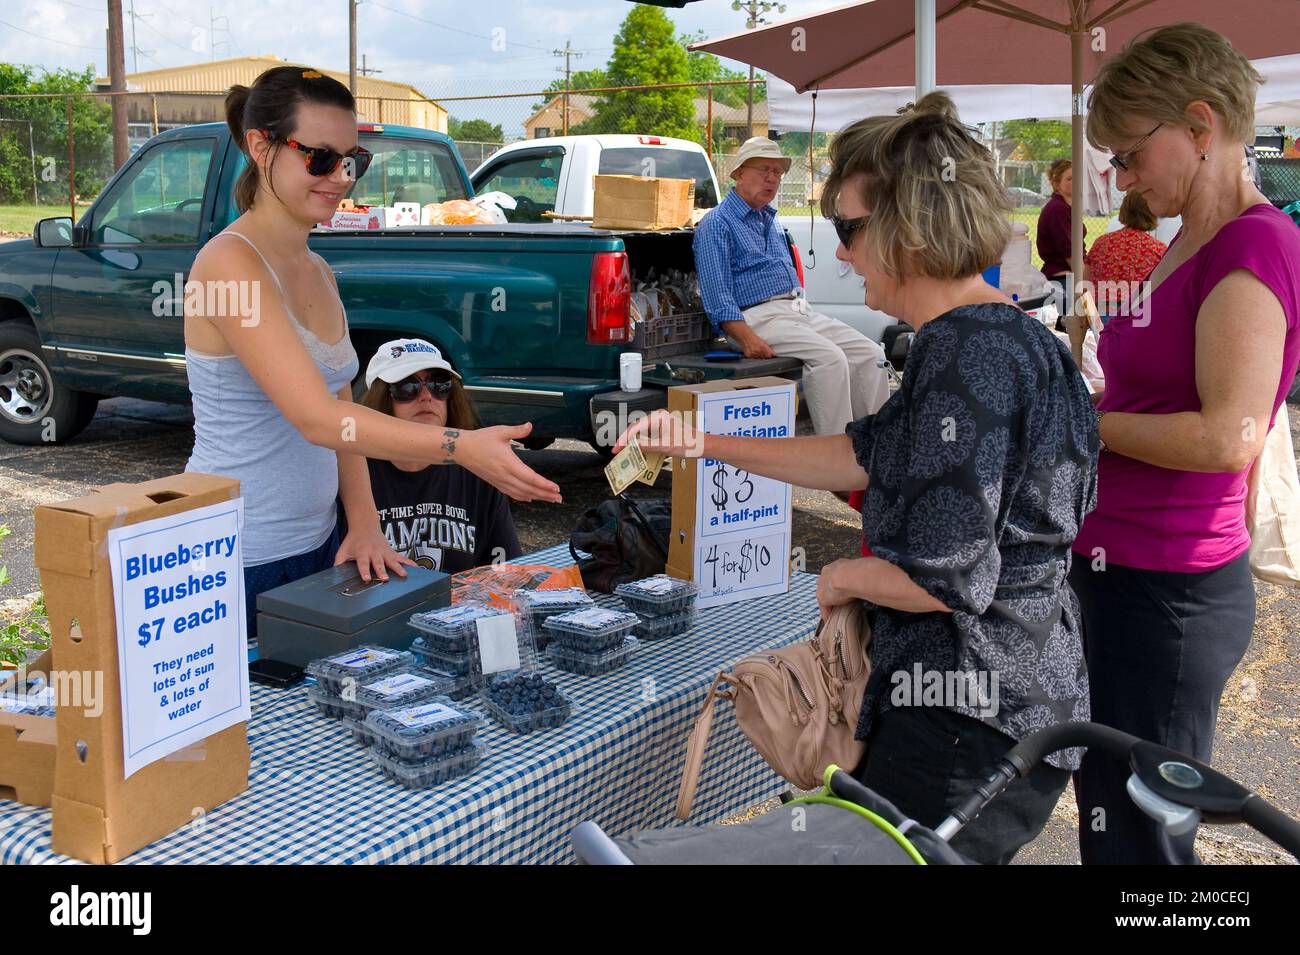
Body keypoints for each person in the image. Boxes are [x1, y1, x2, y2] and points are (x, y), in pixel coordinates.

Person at [621, 94, 1098, 865]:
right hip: (1020, 699)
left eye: (848, 230)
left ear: (907, 226)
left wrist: (843, 572)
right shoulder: (1006, 334)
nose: (840, 255)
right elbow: (860, 451)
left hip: (965, 713)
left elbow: (943, 578)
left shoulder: (962, 356)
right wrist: (703, 443)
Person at [184, 66, 560, 646]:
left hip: (317, 545)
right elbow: (316, 419)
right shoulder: (227, 264)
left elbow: (342, 413)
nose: (341, 178)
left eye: (352, 161)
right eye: (319, 159)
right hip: (236, 554)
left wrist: (364, 524)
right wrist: (459, 447)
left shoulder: (317, 269)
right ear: (261, 146)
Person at [1073, 22, 1300, 865]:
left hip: (1168, 587)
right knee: (1120, 817)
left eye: (1129, 155)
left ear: (1201, 127)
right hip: (1130, 570)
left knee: (1144, 847)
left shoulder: (1251, 243)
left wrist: (1084, 424)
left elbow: (1227, 435)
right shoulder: (1188, 242)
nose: (1122, 177)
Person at [693, 136, 890, 437]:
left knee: (870, 353)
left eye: (777, 172)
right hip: (756, 317)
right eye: (764, 170)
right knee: (830, 358)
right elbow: (716, 294)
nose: (772, 178)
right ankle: (837, 453)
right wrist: (746, 338)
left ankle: (879, 443)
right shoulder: (716, 223)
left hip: (796, 311)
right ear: (738, 173)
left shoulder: (771, 220)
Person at [354, 338, 522, 573]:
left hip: (456, 607)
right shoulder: (353, 471)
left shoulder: (477, 469)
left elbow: (504, 570)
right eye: (406, 388)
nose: (426, 396)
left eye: (439, 384)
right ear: (381, 401)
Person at [1083, 190, 1168, 318]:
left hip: (1102, 312)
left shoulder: (1102, 242)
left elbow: (1086, 280)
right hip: (1139, 314)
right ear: (1152, 213)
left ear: (1124, 211)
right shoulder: (1158, 249)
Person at [1036, 158, 1087, 294]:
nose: (1076, 182)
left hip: (1067, 276)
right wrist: (1085, 283)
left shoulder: (1065, 207)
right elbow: (1069, 250)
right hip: (1062, 279)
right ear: (1056, 184)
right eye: (1070, 179)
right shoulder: (1058, 209)